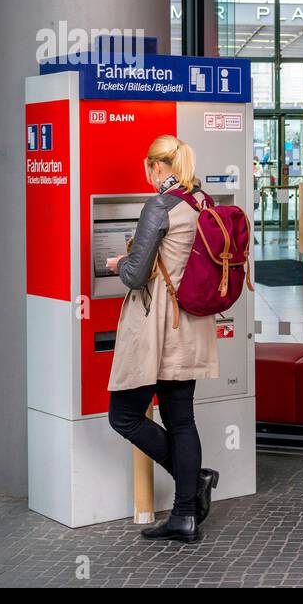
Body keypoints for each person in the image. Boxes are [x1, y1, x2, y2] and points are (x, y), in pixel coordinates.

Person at [105, 135, 219, 544]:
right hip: (189, 323)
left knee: (123, 415)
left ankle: (196, 481)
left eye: (148, 169)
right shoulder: (201, 201)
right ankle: (185, 514)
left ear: (156, 167)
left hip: (156, 325)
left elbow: (136, 275)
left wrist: (119, 263)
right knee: (181, 419)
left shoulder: (159, 206)